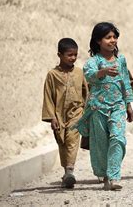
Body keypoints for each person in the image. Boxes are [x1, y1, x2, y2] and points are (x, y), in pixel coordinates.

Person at [73, 22, 133, 191]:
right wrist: (104, 72)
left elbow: (126, 83)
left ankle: (114, 176)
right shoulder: (93, 61)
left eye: (114, 37)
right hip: (97, 108)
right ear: (98, 41)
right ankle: (104, 174)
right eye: (108, 37)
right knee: (100, 145)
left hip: (117, 106)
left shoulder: (121, 60)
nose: (112, 40)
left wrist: (129, 105)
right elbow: (90, 76)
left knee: (118, 138)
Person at [42, 38, 88, 188]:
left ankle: (70, 170)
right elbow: (48, 96)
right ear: (59, 55)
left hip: (76, 113)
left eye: (75, 55)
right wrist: (52, 117)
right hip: (59, 114)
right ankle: (66, 173)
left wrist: (87, 113)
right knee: (62, 141)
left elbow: (86, 93)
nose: (73, 58)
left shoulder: (79, 72)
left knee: (72, 139)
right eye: (69, 55)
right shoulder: (52, 75)